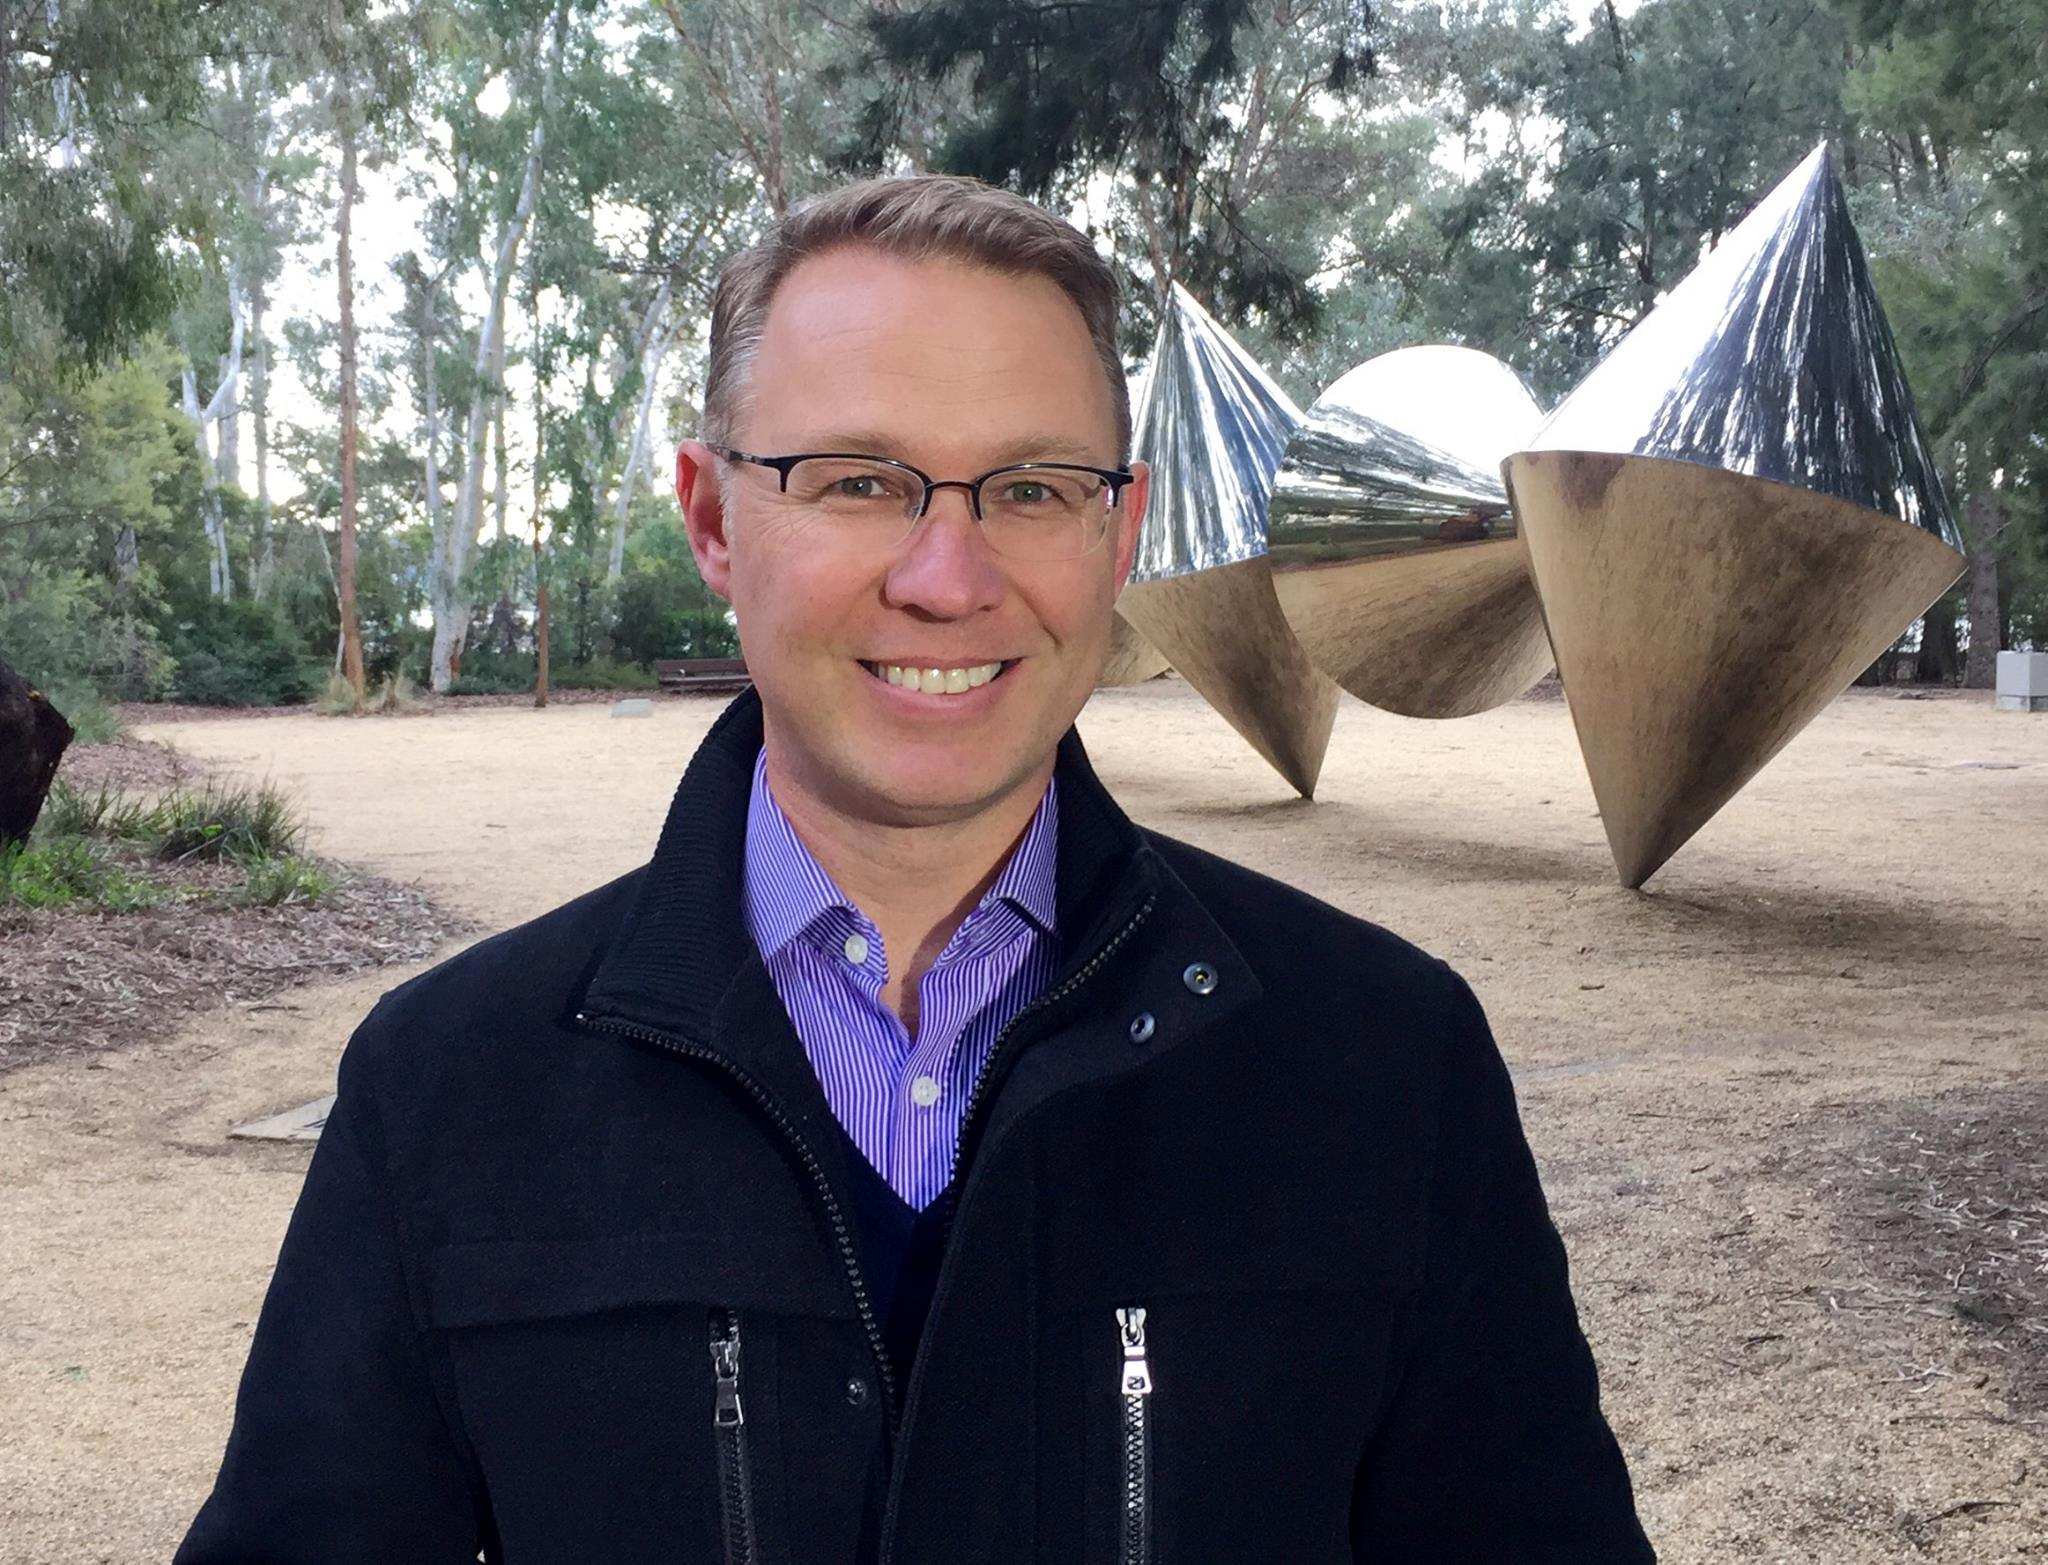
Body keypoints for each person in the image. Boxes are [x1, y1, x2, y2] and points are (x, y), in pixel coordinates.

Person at [179, 174, 1654, 1563]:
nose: (948, 578)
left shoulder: (1384, 1064)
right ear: (710, 516)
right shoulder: (448, 1092)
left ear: (1119, 529)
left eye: (1029, 488)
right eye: (863, 480)